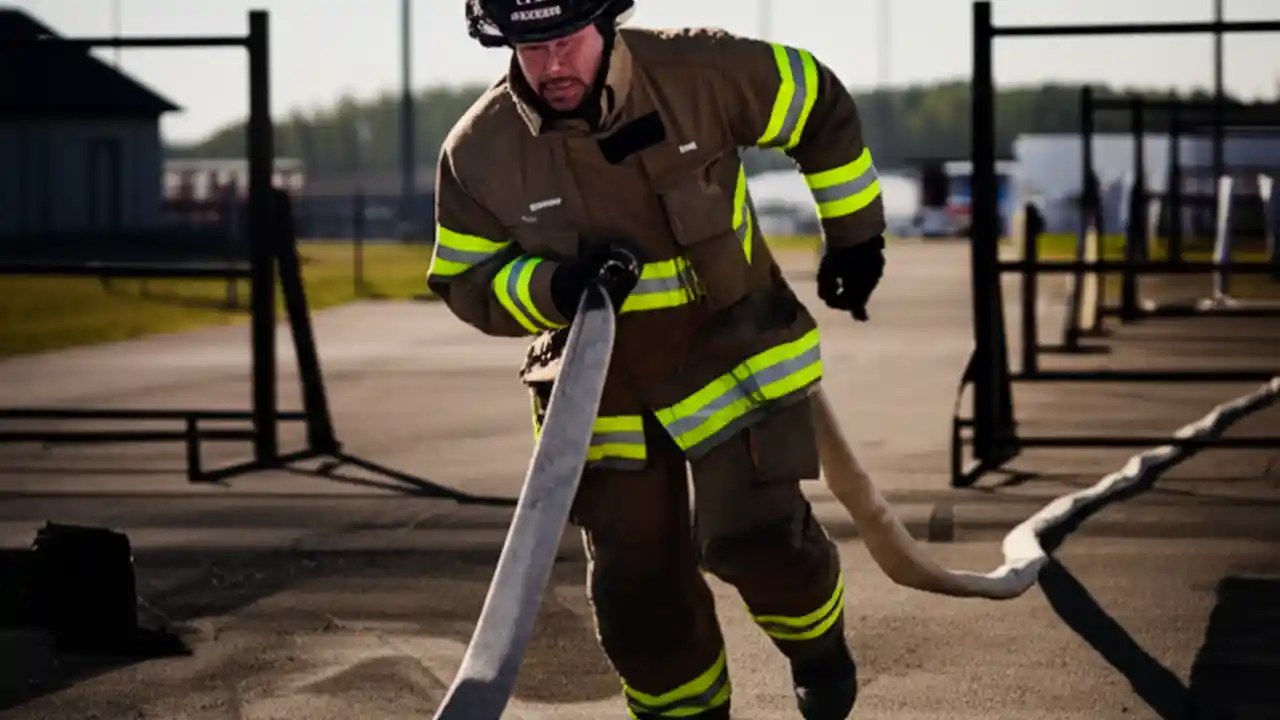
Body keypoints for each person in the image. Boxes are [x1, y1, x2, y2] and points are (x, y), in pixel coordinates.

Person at [427, 1, 887, 717]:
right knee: (636, 594)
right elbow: (467, 278)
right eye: (530, 46)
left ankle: (818, 647)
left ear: (604, 21)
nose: (551, 67)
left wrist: (855, 236)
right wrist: (554, 287)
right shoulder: (478, 152)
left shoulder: (701, 73)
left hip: (732, 364)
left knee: (759, 541)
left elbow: (818, 104)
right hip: (602, 400)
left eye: (566, 42)